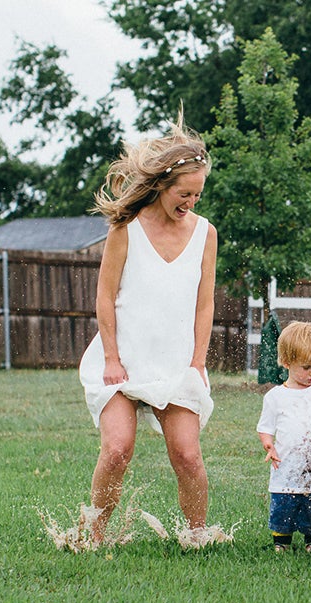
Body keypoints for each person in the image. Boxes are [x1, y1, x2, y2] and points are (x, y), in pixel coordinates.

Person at [77, 117, 218, 544]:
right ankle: (93, 534)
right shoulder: (126, 229)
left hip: (176, 363)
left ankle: (198, 537)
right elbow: (104, 297)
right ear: (161, 185)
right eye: (184, 193)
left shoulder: (206, 234)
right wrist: (113, 358)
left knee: (188, 457)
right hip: (122, 360)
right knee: (118, 449)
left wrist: (197, 362)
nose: (191, 201)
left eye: (198, 194)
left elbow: (204, 302)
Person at [256, 321, 311, 553]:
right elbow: (265, 427)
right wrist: (269, 445)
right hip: (286, 469)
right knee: (283, 509)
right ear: (286, 362)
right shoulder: (275, 397)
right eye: (306, 367)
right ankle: (281, 543)